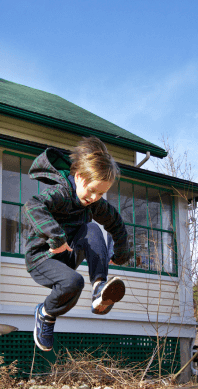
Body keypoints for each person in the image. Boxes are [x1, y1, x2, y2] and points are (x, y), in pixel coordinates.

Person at [22, 137, 130, 351]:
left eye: (100, 193)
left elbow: (116, 223)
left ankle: (99, 287)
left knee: (92, 228)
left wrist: (121, 252)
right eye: (91, 190)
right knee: (74, 282)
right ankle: (46, 314)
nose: (94, 197)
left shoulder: (94, 203)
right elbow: (33, 205)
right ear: (79, 177)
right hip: (41, 259)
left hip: (66, 255)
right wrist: (56, 237)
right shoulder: (61, 192)